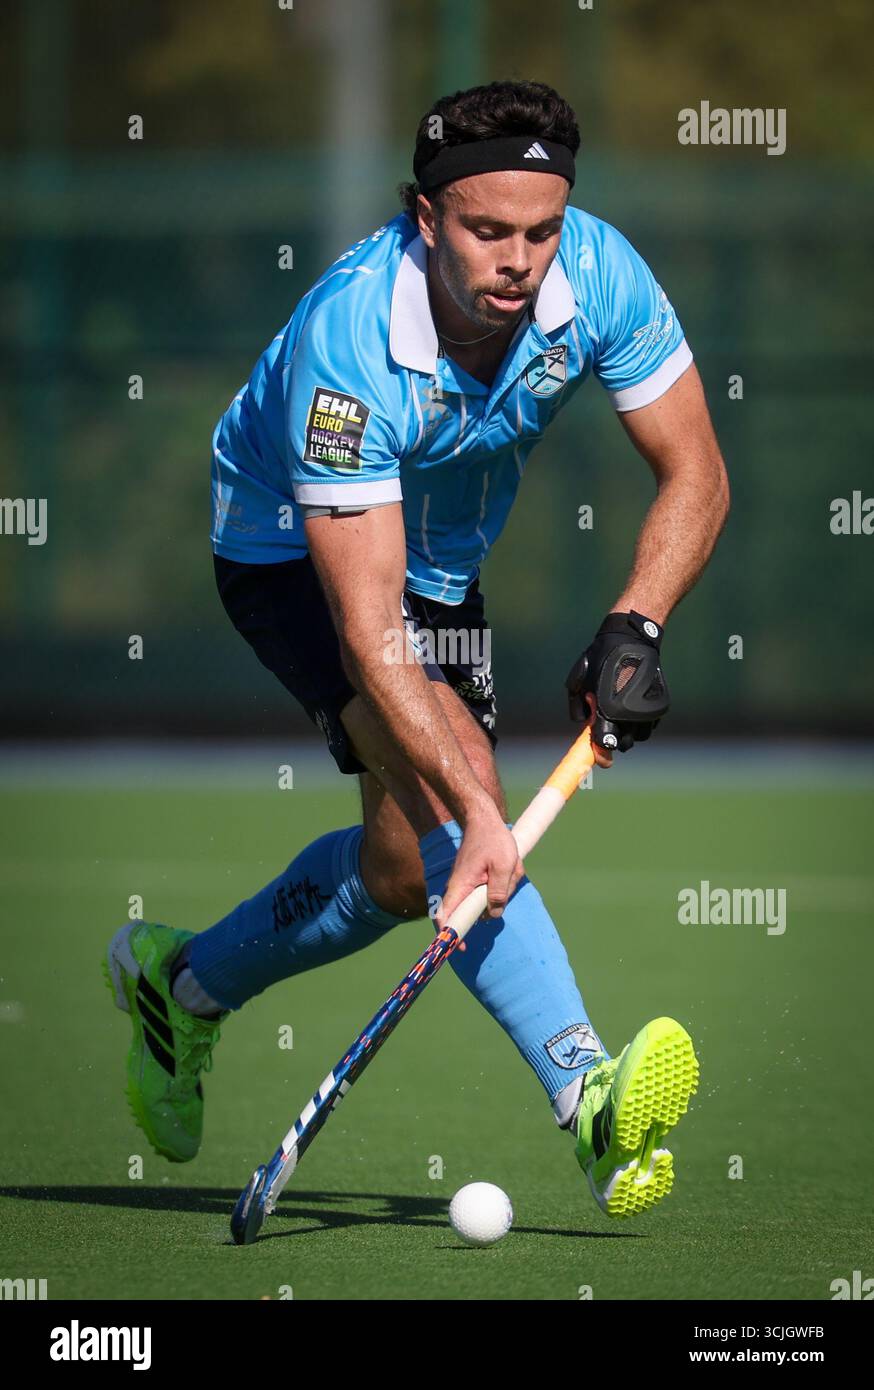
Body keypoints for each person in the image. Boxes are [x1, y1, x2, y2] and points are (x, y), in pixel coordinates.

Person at [104, 80, 728, 1219]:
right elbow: (368, 628)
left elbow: (697, 471)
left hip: (434, 564)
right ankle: (588, 1093)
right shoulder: (352, 341)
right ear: (424, 214)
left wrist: (635, 623)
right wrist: (475, 806)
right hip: (295, 556)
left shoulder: (598, 274)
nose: (520, 260)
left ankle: (181, 985)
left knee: (402, 872)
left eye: (540, 230)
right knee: (455, 813)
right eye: (488, 230)